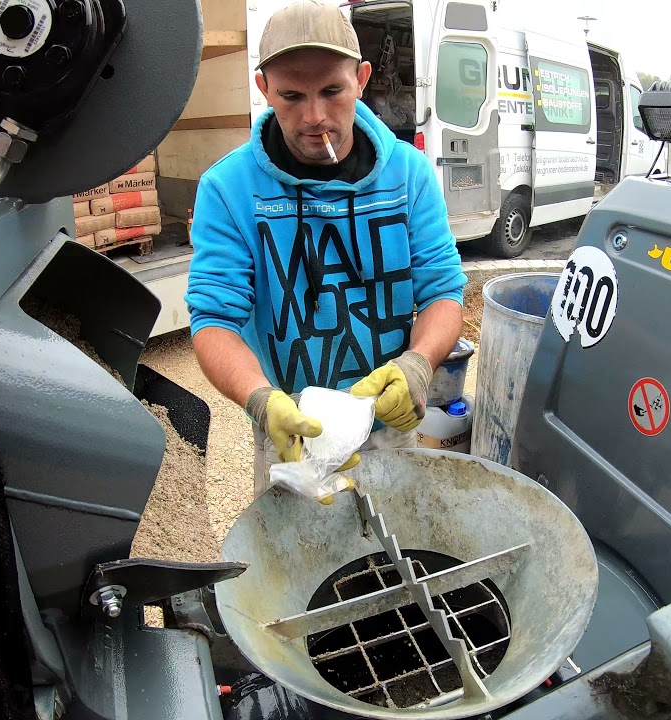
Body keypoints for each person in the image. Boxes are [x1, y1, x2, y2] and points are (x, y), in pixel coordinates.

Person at [183, 0, 466, 499]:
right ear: (263, 88)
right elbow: (213, 322)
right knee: (295, 565)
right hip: (289, 430)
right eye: (291, 95)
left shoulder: (409, 174)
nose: (314, 117)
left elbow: (443, 292)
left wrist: (419, 363)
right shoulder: (228, 188)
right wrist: (260, 400)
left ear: (361, 78)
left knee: (395, 553)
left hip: (390, 422)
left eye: (332, 90)